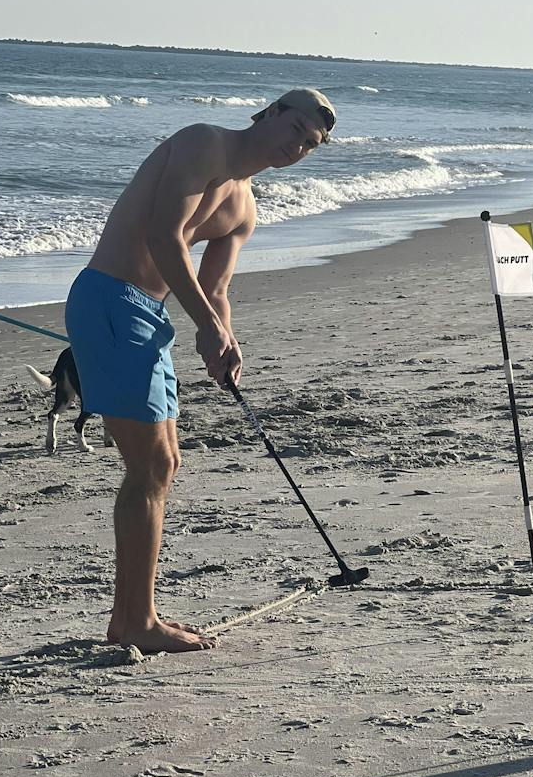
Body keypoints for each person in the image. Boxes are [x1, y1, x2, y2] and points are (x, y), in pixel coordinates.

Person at [65, 87, 337, 653]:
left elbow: (215, 289)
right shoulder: (203, 143)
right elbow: (164, 237)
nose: (297, 146)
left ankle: (133, 616)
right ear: (270, 112)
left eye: (310, 145)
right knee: (149, 464)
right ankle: (136, 621)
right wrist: (206, 325)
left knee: (165, 464)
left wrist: (225, 337)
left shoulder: (245, 208)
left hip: (152, 315)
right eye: (295, 130)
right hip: (111, 299)